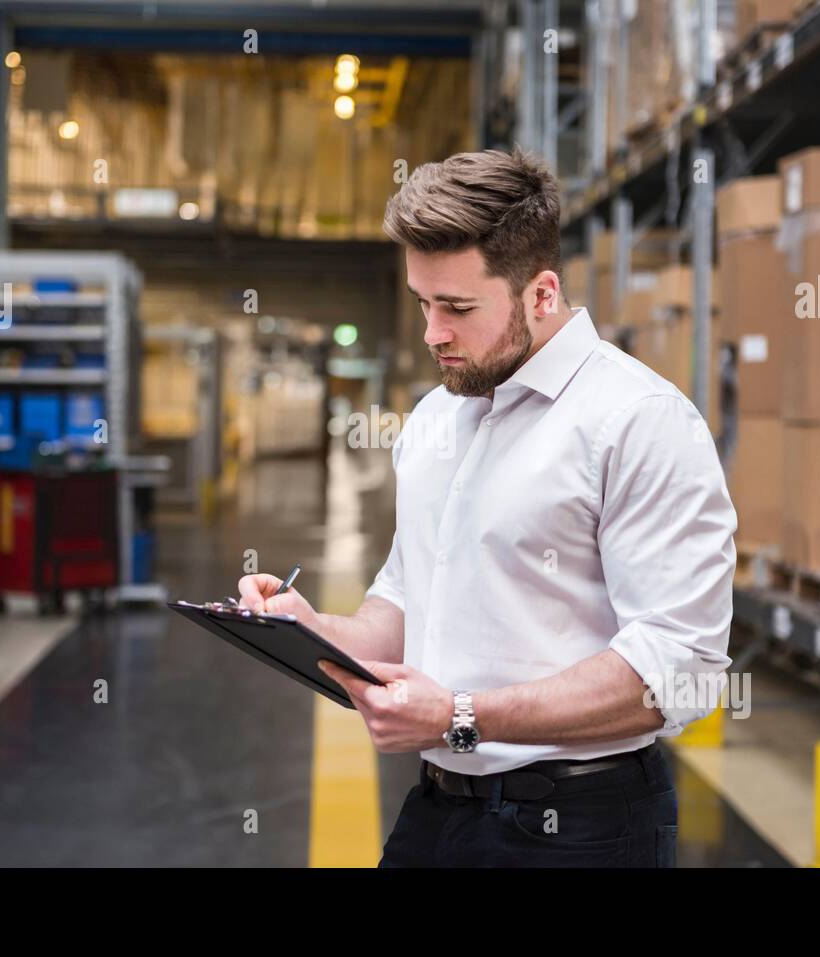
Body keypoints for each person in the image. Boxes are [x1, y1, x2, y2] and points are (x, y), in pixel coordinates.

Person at [239, 147, 736, 867]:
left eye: (458, 308)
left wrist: (462, 715)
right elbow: (407, 600)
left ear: (541, 293)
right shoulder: (441, 416)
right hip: (442, 806)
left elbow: (679, 667)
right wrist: (312, 628)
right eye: (422, 303)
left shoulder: (638, 421)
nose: (432, 332)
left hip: (583, 822)